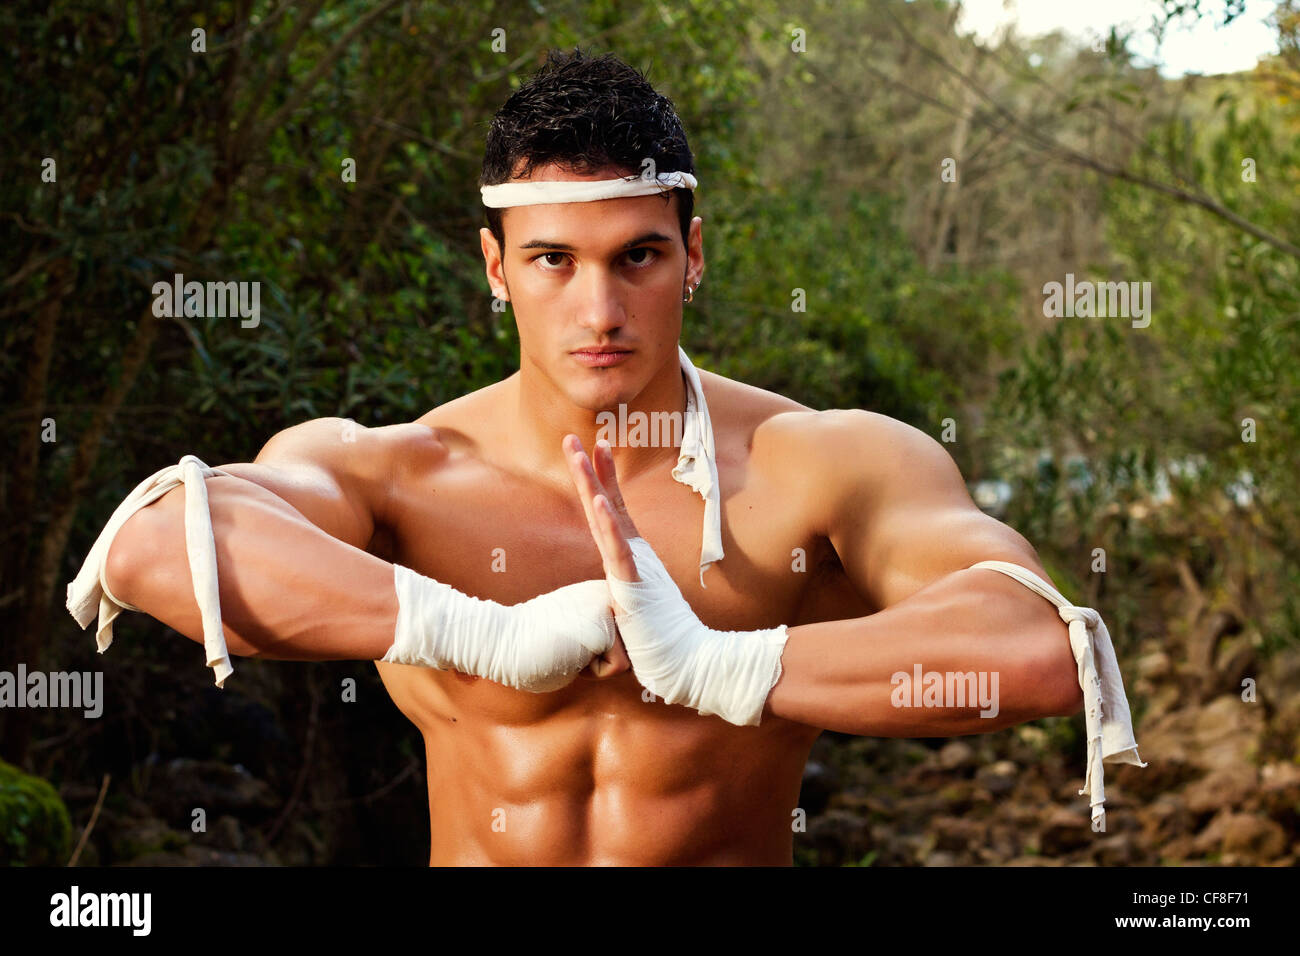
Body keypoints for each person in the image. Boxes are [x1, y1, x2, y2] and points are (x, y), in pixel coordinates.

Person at [68, 49, 1142, 866]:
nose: (600, 309)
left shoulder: (818, 465)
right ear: (494, 267)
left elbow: (1043, 647)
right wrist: (483, 630)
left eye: (638, 255)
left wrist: (724, 664)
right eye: (552, 260)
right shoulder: (398, 472)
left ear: (694, 254)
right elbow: (157, 540)